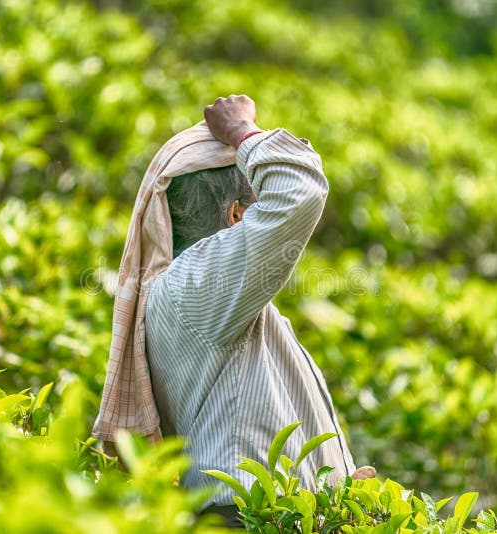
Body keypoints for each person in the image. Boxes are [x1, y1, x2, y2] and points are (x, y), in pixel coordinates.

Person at [144, 95, 372, 529]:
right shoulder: (200, 280)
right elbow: (298, 189)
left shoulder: (194, 289)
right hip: (247, 518)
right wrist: (243, 131)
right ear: (236, 215)